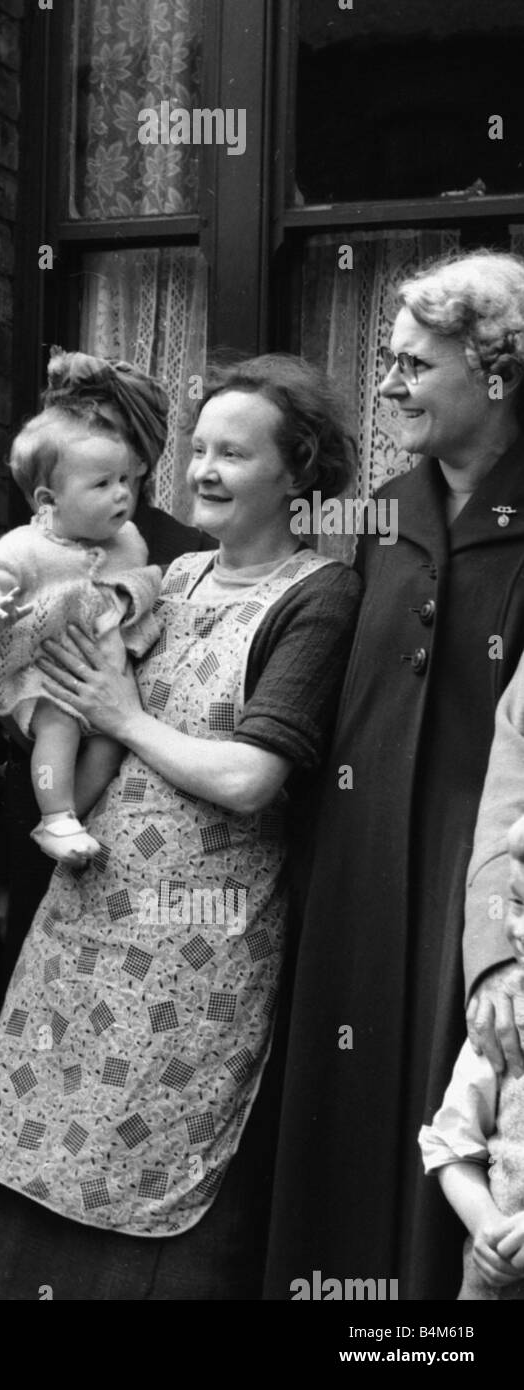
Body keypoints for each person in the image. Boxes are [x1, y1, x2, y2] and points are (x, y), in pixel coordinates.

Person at [0, 354, 361, 1299]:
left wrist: (123, 715)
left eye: (236, 452)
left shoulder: (317, 594)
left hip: (197, 942)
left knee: (156, 1178)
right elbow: (48, 675)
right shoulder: (166, 575)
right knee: (42, 1152)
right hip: (85, 918)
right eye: (199, 448)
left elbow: (254, 778)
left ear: (300, 471)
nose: (204, 470)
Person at [266, 250, 524, 1301]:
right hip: (358, 886)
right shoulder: (373, 518)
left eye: (415, 364)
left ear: (497, 374)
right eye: (386, 360)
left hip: (490, 906)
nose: (387, 384)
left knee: (460, 1149)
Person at [0, 351, 211, 1024]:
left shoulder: (187, 556)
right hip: (35, 847)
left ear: (139, 459)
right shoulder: (24, 554)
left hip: (158, 857)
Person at [0, 407, 161, 867]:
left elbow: (138, 584)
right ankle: (55, 815)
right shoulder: (25, 548)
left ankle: (71, 819)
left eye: (126, 480)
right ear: (49, 500)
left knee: (111, 744)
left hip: (102, 675)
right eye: (102, 484)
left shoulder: (128, 539)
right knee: (59, 727)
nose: (122, 494)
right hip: (39, 673)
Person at [419, 655, 524, 1301]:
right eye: (517, 911)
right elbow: (451, 1142)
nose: (517, 931)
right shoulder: (507, 1034)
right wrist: (488, 1229)